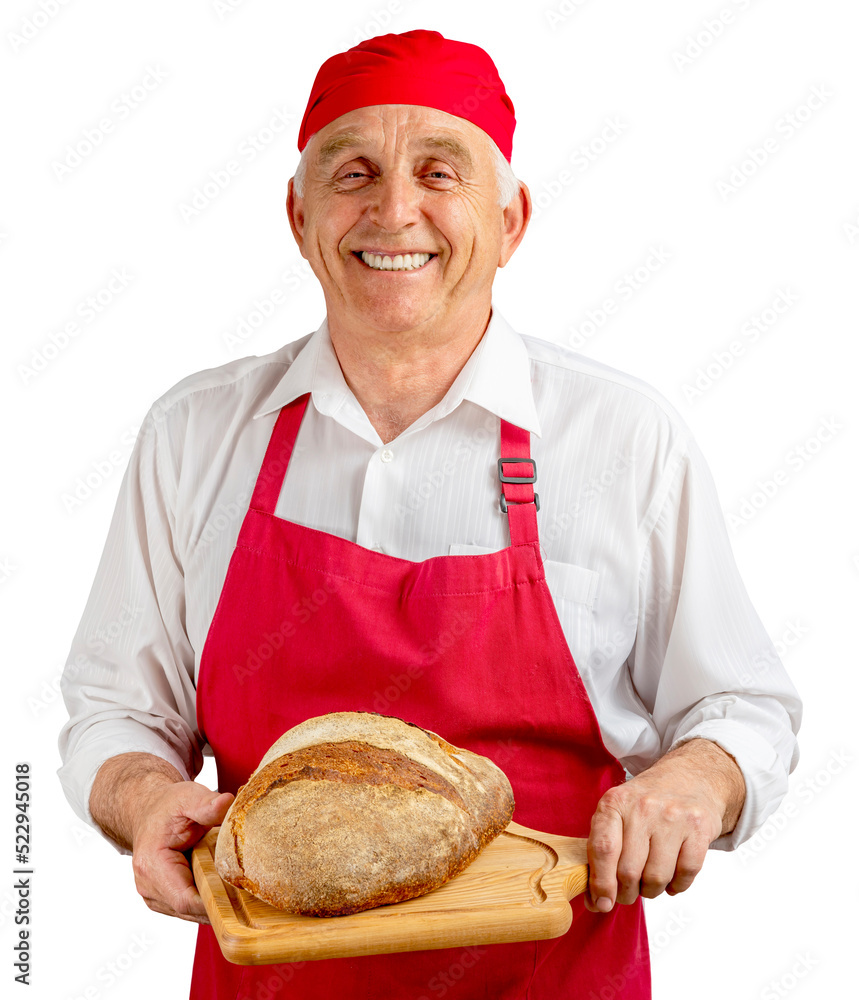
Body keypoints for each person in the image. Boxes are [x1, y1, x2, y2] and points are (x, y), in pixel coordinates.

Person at [58, 28, 801, 999]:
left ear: (512, 220)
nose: (394, 209)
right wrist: (147, 795)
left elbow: (743, 707)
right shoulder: (194, 438)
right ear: (298, 214)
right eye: (353, 171)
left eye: (439, 171)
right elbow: (111, 712)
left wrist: (694, 782)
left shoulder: (622, 440)